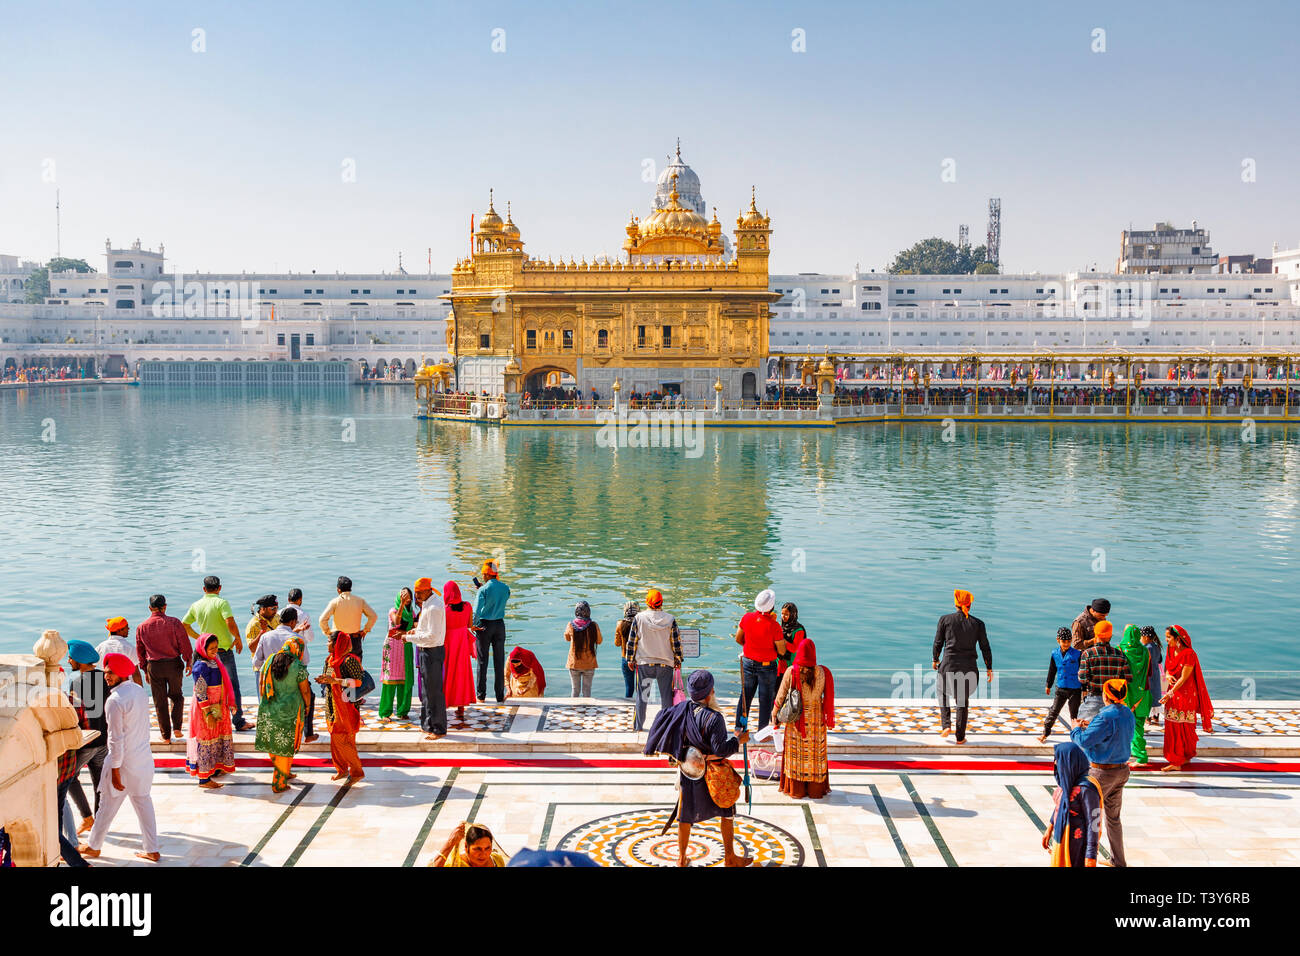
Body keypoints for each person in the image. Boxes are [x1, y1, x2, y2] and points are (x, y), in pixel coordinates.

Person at [643, 669, 752, 867]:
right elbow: (721, 750)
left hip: (689, 773)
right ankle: (729, 857)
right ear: (710, 692)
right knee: (727, 811)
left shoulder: (681, 709)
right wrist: (738, 740)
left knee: (685, 815)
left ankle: (682, 858)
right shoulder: (714, 718)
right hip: (714, 775)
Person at [79, 653, 160, 862]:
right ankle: (152, 849)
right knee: (143, 802)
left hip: (123, 763)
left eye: (111, 673)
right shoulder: (140, 691)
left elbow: (116, 739)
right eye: (106, 673)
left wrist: (115, 770)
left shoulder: (114, 700)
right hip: (143, 759)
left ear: (122, 674)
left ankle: (94, 846)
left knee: (107, 804)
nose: (107, 677)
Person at [1070, 678, 1135, 867]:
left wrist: (1075, 729)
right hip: (1122, 771)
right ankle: (1118, 861)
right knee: (1113, 819)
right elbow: (1112, 732)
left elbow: (1084, 742)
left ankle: (1083, 859)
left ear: (1107, 695)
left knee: (1085, 816)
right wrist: (1089, 725)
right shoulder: (1127, 713)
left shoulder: (1105, 716)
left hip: (1101, 774)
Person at [181, 576, 251, 731]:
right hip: (223, 650)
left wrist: (199, 638)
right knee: (232, 685)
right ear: (220, 588)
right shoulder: (221, 603)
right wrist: (238, 638)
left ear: (204, 589)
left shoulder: (196, 605)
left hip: (203, 652)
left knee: (203, 686)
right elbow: (229, 622)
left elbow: (184, 625)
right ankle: (238, 721)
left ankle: (206, 719)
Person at [772, 639, 835, 799]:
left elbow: (781, 696)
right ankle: (815, 789)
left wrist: (775, 713)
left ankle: (797, 789)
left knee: (797, 754)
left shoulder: (792, 672)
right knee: (814, 754)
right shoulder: (823, 672)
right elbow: (827, 697)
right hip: (816, 719)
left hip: (796, 719)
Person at [931, 589, 993, 744]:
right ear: (970, 604)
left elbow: (938, 642)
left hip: (948, 665)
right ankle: (960, 737)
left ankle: (946, 725)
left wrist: (935, 659)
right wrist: (989, 668)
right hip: (969, 667)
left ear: (956, 603)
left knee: (941, 691)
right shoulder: (978, 624)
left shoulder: (945, 620)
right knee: (962, 701)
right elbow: (985, 647)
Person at [64, 640, 110, 837]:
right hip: (104, 739)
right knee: (99, 783)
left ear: (80, 661)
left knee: (69, 777)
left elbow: (76, 714)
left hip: (86, 741)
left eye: (71, 658)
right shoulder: (105, 678)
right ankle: (99, 822)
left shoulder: (77, 682)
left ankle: (87, 818)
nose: (68, 660)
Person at [255, 637, 312, 792]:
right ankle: (279, 783)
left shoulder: (269, 661)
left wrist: (264, 702)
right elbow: (305, 690)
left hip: (270, 706)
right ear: (297, 650)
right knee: (286, 742)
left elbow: (261, 683)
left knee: (275, 743)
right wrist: (307, 705)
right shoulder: (298, 666)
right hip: (290, 710)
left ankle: (285, 770)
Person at [135, 594, 193, 744]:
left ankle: (166, 736)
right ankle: (177, 728)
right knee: (177, 696)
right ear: (165, 606)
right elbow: (184, 643)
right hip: (173, 664)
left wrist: (144, 669)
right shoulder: (174, 623)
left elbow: (140, 651)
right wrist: (188, 660)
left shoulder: (142, 627)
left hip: (154, 666)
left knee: (159, 701)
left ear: (150, 608)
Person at [628, 588, 683, 732]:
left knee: (643, 696)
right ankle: (666, 727)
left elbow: (632, 641)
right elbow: (676, 642)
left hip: (645, 664)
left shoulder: (639, 618)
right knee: (666, 698)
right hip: (665, 665)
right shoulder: (670, 619)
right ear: (661, 602)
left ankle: (639, 727)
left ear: (647, 602)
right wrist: (678, 659)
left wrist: (630, 659)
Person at [1160, 625, 1214, 773]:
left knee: (1183, 726)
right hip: (1172, 692)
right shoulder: (1171, 651)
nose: (1166, 640)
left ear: (1178, 638)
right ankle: (1180, 757)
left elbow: (1184, 678)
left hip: (1185, 695)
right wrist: (1168, 676)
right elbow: (1167, 669)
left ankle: (1179, 760)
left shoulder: (1189, 654)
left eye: (1169, 637)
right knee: (1173, 726)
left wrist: (1170, 693)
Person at [186, 634, 237, 789]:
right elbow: (201, 692)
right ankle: (204, 779)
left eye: (216, 647)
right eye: (211, 648)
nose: (215, 651)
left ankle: (214, 769)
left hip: (218, 705)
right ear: (203, 649)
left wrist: (228, 702)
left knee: (217, 736)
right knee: (205, 739)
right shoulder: (201, 666)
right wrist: (208, 713)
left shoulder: (214, 662)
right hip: (205, 708)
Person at [1042, 741, 1102, 867]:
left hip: (1077, 845)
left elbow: (1094, 822)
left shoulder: (1087, 789)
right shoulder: (1068, 781)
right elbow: (1061, 805)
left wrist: (1091, 855)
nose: (1055, 763)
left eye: (1059, 759)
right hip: (1063, 839)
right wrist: (1050, 827)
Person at [734, 588, 786, 731]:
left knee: (745, 697)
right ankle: (763, 732)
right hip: (767, 666)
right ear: (772, 607)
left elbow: (738, 638)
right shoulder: (775, 626)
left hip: (748, 662)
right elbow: (781, 650)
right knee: (766, 699)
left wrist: (752, 647)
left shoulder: (746, 618)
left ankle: (739, 728)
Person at [320, 631, 365, 780]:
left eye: (328, 641)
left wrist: (336, 681)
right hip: (332, 704)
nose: (326, 644)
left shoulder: (349, 660)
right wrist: (324, 680)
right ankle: (341, 769)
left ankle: (356, 771)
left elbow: (356, 682)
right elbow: (329, 679)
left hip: (346, 704)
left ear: (337, 643)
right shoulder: (329, 660)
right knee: (335, 738)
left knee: (344, 738)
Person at [409, 577, 448, 740]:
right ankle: (427, 724)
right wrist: (415, 633)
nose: (416, 597)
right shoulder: (427, 604)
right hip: (425, 651)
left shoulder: (434, 607)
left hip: (432, 651)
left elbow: (432, 636)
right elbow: (425, 630)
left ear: (427, 591)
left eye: (418, 593)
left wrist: (407, 638)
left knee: (434, 692)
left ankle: (438, 728)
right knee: (426, 690)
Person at [471, 560, 511, 703]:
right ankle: (499, 696)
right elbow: (502, 597)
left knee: (482, 661)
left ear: (487, 575)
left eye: (483, 575)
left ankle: (481, 695)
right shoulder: (505, 587)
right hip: (499, 625)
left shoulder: (483, 590)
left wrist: (473, 625)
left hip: (484, 625)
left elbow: (476, 611)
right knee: (499, 660)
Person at [1076, 619, 1129, 724]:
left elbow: (1082, 679)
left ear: (1095, 635)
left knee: (1085, 731)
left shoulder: (1087, 654)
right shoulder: (1120, 655)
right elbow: (1127, 678)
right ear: (1110, 636)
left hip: (1093, 700)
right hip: (1113, 702)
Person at [319, 575, 378, 663]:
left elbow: (322, 619)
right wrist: (365, 630)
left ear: (338, 589)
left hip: (338, 639)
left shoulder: (335, 602)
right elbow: (373, 616)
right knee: (356, 667)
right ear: (350, 588)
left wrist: (329, 633)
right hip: (355, 638)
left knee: (338, 665)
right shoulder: (360, 601)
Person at [1037, 626, 1081, 743]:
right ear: (1058, 640)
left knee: (1074, 715)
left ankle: (1075, 737)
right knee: (1053, 711)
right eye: (1063, 641)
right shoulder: (1054, 653)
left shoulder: (1077, 654)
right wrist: (1048, 685)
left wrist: (1085, 688)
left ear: (1071, 640)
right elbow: (1052, 670)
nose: (1066, 644)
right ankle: (1045, 733)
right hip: (1060, 687)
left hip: (1075, 689)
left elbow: (1082, 672)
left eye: (1068, 641)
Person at [379, 588, 415, 721]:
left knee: (405, 680)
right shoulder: (393, 611)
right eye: (404, 597)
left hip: (406, 647)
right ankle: (385, 712)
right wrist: (401, 605)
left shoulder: (412, 612)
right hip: (393, 648)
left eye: (409, 597)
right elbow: (397, 622)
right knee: (390, 680)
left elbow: (415, 626)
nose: (407, 599)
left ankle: (403, 710)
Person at [443, 580, 476, 721]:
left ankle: (444, 704)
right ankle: (461, 709)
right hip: (462, 644)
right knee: (462, 674)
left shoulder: (444, 610)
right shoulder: (468, 606)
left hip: (448, 644)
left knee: (447, 673)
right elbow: (470, 625)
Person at [1119, 625, 1152, 766]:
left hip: (1126, 695)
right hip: (1142, 695)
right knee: (1138, 726)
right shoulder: (1145, 651)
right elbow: (1149, 673)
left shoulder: (1120, 650)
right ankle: (1139, 754)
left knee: (1124, 727)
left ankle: (1136, 756)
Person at [565, 601, 601, 697]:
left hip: (574, 663)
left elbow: (567, 638)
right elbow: (599, 641)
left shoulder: (570, 625)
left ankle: (574, 709)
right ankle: (587, 710)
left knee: (575, 690)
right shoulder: (594, 625)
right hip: (589, 663)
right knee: (587, 690)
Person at [429, 822, 506, 867]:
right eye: (477, 849)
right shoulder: (456, 864)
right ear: (466, 847)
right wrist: (449, 843)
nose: (483, 854)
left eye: (487, 848)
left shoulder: (496, 860)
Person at [97, 617, 143, 686]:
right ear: (119, 630)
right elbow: (135, 673)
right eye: (126, 627)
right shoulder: (129, 648)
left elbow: (91, 667)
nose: (128, 629)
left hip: (106, 686)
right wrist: (140, 691)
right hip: (126, 687)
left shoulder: (100, 647)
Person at [613, 601, 638, 699]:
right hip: (639, 659)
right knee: (640, 687)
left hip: (625, 658)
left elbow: (617, 643)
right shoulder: (639, 623)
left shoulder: (620, 624)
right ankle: (641, 708)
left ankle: (628, 707)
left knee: (629, 687)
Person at [1140, 626, 1164, 727]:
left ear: (1145, 637)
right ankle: (1156, 717)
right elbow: (1159, 660)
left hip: (1148, 674)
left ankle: (1148, 718)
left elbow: (1143, 662)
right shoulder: (1156, 646)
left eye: (1141, 637)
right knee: (1156, 694)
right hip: (1156, 674)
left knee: (1148, 695)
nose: (1140, 639)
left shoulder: (1146, 648)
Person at [776, 601, 806, 677]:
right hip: (778, 665)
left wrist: (782, 640)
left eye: (786, 614)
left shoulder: (799, 631)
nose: (783, 616)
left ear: (793, 615)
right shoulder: (782, 627)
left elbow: (794, 649)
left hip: (791, 667)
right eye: (782, 614)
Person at [245, 594, 280, 658]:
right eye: (273, 609)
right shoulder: (253, 624)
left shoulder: (276, 617)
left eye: (277, 608)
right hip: (262, 665)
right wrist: (262, 631)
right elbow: (252, 649)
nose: (275, 611)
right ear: (263, 609)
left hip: (277, 661)